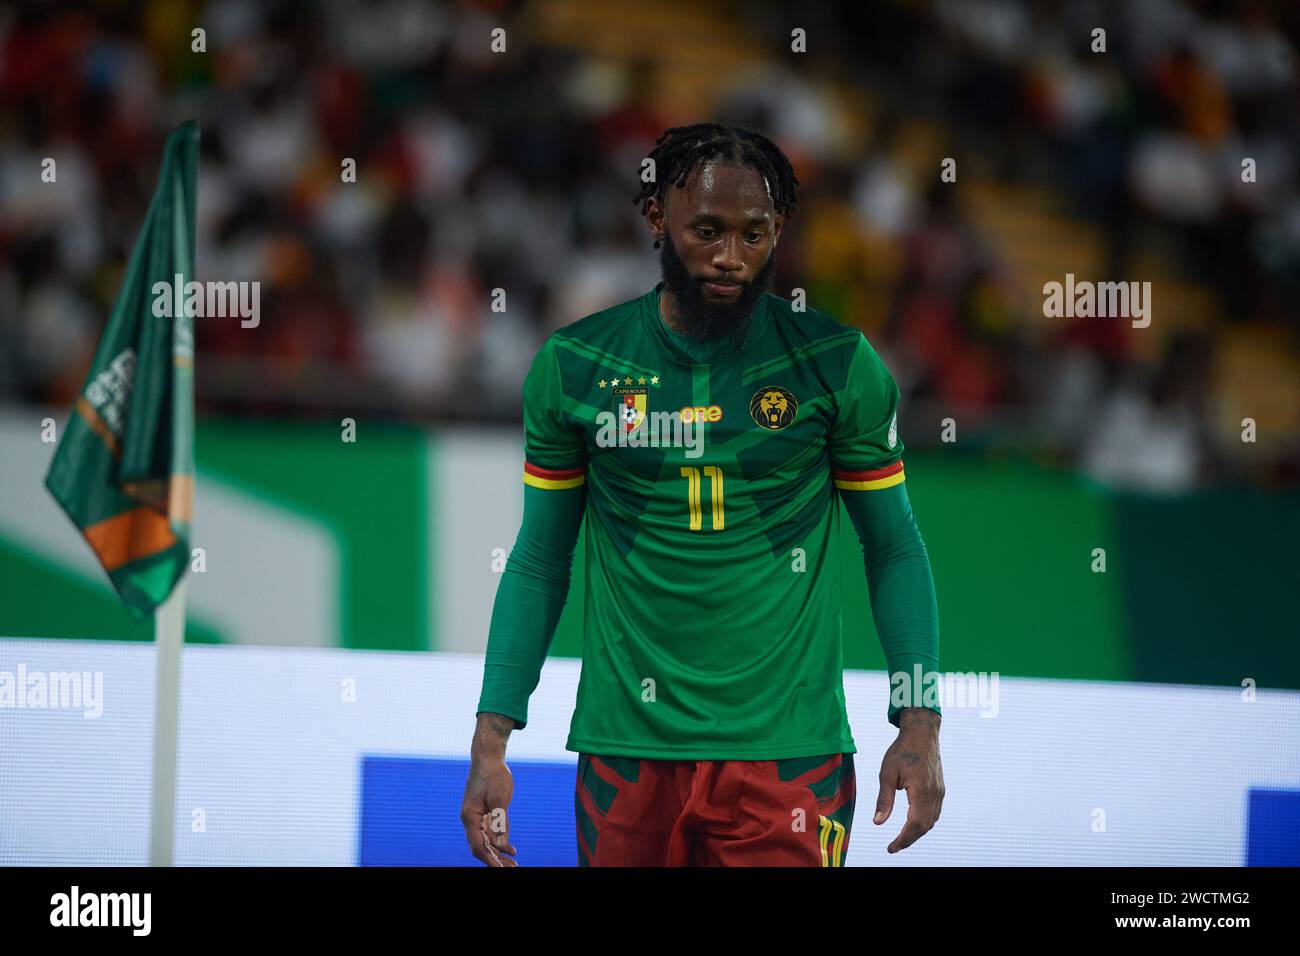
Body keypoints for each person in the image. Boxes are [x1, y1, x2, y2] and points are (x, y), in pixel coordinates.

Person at [462, 123, 943, 866]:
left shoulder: (838, 365)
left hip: (789, 759)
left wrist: (919, 721)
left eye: (755, 234)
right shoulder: (576, 366)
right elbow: (539, 560)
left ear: (779, 230)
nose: (731, 257)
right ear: (657, 218)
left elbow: (894, 547)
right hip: (626, 756)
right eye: (708, 230)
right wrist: (492, 736)